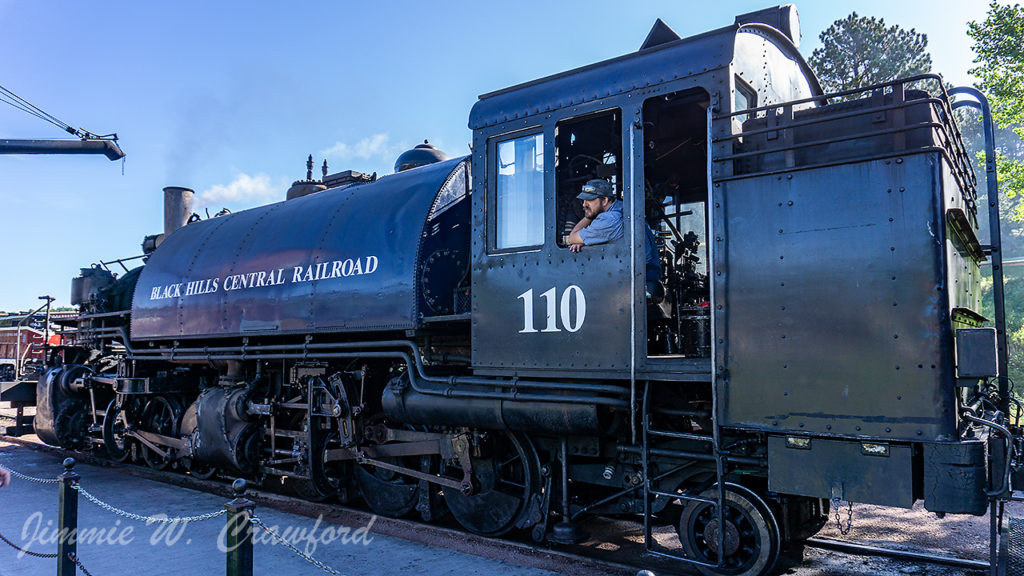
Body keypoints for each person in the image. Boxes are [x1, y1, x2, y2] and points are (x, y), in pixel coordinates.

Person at [565, 179, 662, 295]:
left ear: (605, 200)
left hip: (637, 283)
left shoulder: (609, 219)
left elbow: (572, 238)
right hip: (646, 275)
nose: (584, 204)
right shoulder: (622, 207)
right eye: (584, 200)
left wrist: (588, 216)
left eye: (590, 200)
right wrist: (585, 240)